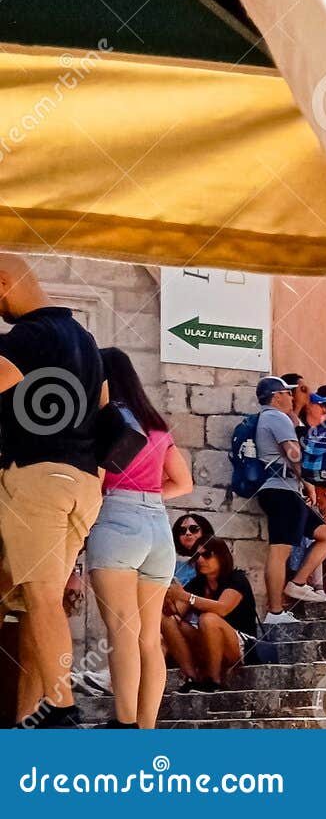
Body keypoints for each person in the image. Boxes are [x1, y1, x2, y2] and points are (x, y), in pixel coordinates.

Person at [0, 253, 108, 728]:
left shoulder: (27, 335)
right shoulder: (85, 338)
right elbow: (106, 411)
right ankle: (31, 717)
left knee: (40, 598)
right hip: (84, 482)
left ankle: (60, 710)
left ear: (3, 282)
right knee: (36, 603)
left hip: (38, 477)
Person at [84, 348, 193, 728]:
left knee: (121, 632)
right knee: (149, 638)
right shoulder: (157, 426)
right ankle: (145, 731)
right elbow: (184, 482)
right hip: (158, 527)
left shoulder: (102, 420)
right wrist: (146, 495)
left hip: (116, 519)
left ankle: (124, 724)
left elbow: (95, 484)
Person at [251, 375, 326, 626]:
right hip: (282, 491)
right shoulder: (276, 418)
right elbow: (294, 454)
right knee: (279, 551)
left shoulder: (271, 417)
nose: (291, 397)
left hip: (285, 491)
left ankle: (297, 583)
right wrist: (310, 485)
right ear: (276, 397)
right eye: (287, 393)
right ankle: (275, 613)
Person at [160, 538, 256, 693]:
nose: (201, 560)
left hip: (242, 644)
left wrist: (186, 596)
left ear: (221, 556)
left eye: (207, 555)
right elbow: (174, 613)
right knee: (167, 621)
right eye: (197, 556)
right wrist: (168, 597)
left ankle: (214, 680)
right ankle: (192, 678)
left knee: (208, 618)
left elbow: (223, 608)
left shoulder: (237, 579)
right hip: (208, 641)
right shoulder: (198, 583)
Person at [170, 514, 215, 589]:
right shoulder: (174, 566)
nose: (188, 533)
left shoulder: (216, 560)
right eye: (182, 531)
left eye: (194, 529)